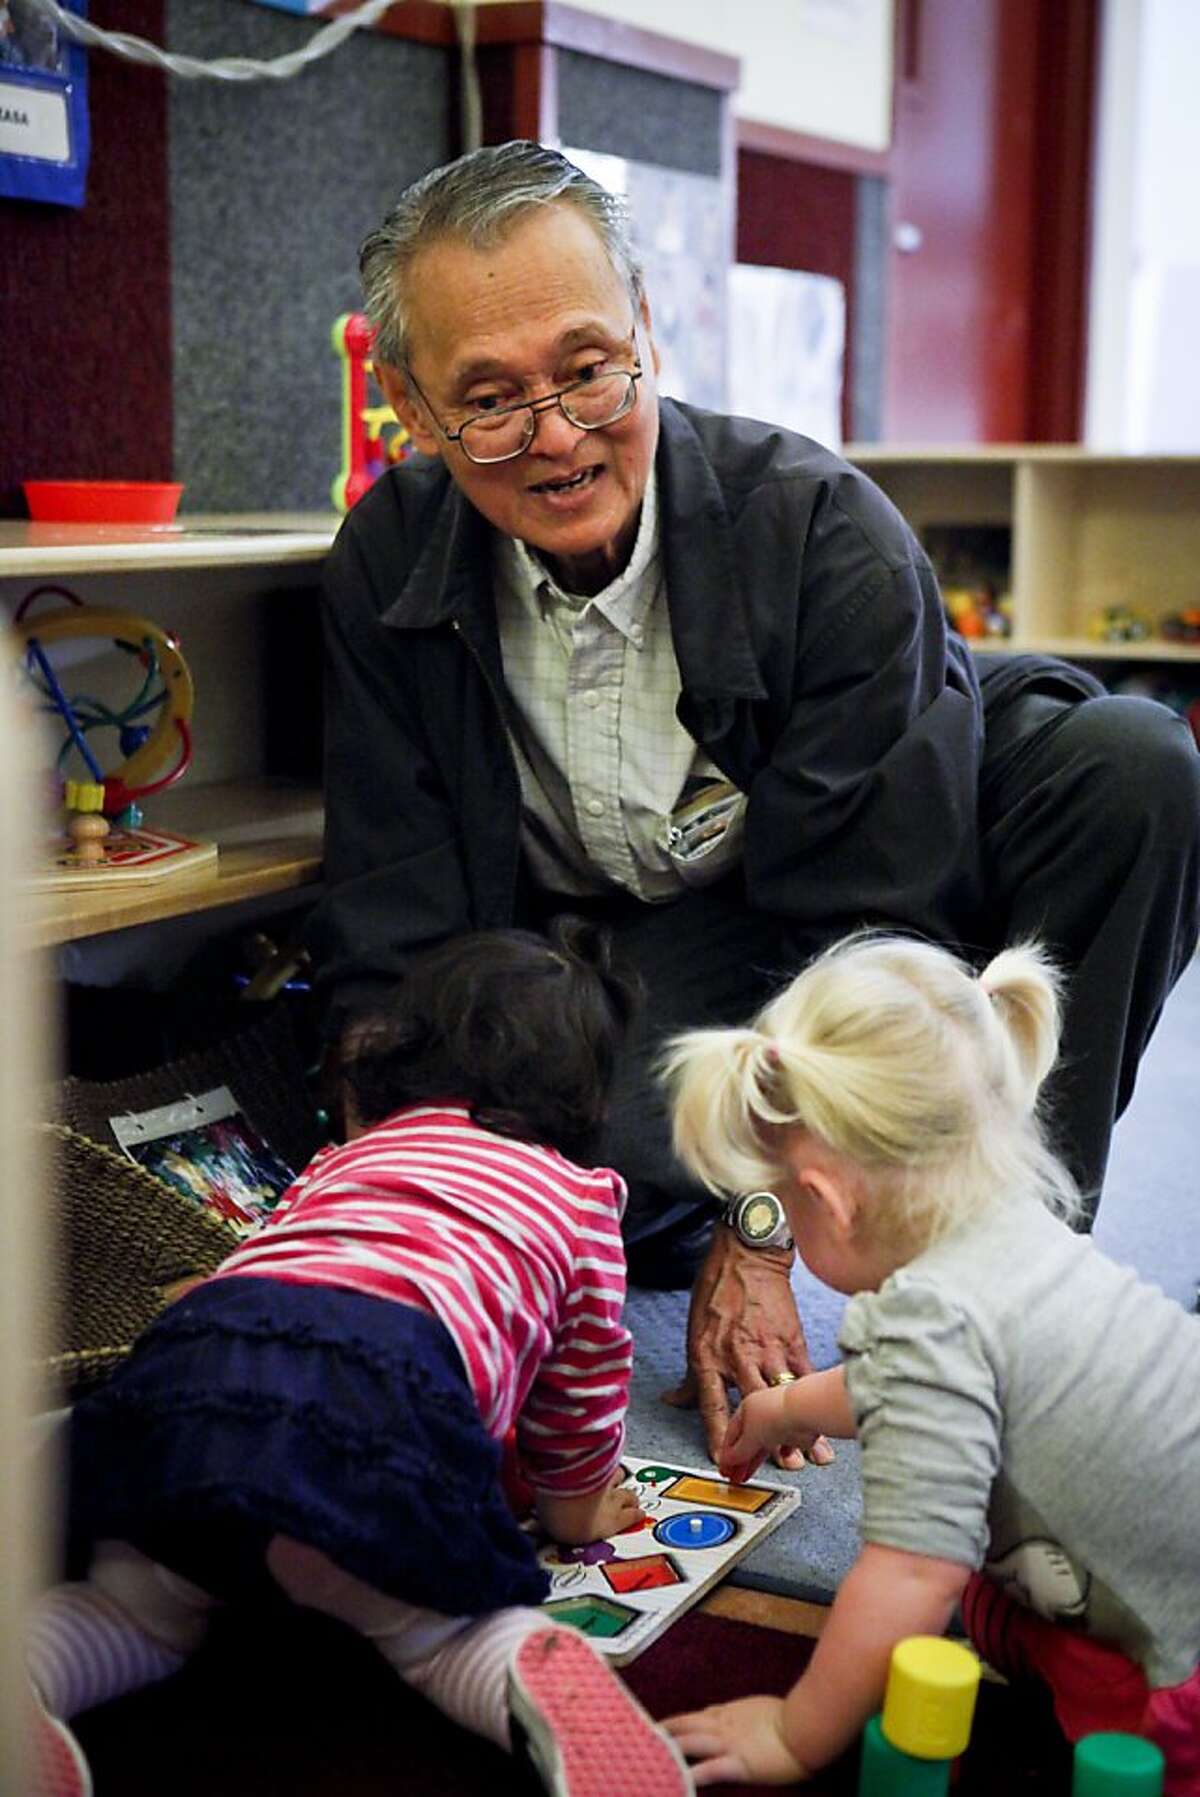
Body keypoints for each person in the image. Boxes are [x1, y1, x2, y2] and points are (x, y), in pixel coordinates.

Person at [304, 137, 1200, 1474]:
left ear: (645, 330)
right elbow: (396, 924)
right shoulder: (385, 562)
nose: (555, 437)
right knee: (552, 1153)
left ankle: (1007, 1275)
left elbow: (872, 920)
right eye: (488, 400)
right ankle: (690, 1191)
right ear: (414, 411)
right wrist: (400, 1198)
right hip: (659, 934)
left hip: (903, 869)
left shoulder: (820, 525)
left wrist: (763, 1225)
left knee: (1138, 768)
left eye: (588, 368)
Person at [27, 921, 695, 1797]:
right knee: (439, 1631)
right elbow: (584, 1382)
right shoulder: (579, 1198)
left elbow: (257, 1266)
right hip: (377, 1401)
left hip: (200, 1374)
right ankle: (522, 1676)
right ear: (590, 1099)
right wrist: (578, 1505)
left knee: (136, 1608)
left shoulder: (341, 1159)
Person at [657, 931, 1200, 1791]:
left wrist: (795, 1734)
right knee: (993, 1596)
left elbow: (913, 1569)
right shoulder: (1013, 1230)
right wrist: (784, 1407)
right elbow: (932, 1384)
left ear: (827, 1201)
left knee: (961, 1595)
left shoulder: (927, 1319)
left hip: (1181, 1664)